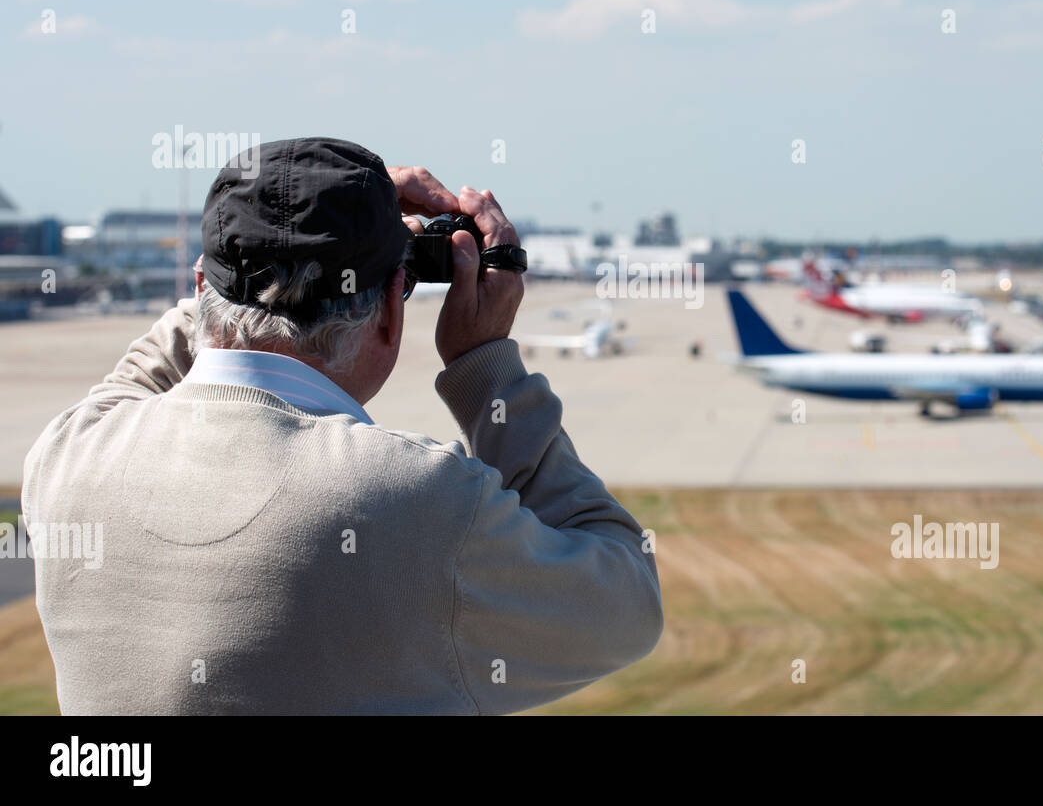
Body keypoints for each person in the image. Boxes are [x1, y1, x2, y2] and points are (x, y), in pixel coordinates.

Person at [22, 137, 662, 714]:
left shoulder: (67, 457)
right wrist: (485, 367)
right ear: (391, 311)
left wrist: (274, 236)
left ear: (199, 286)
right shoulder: (421, 503)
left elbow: (165, 351)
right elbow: (628, 603)